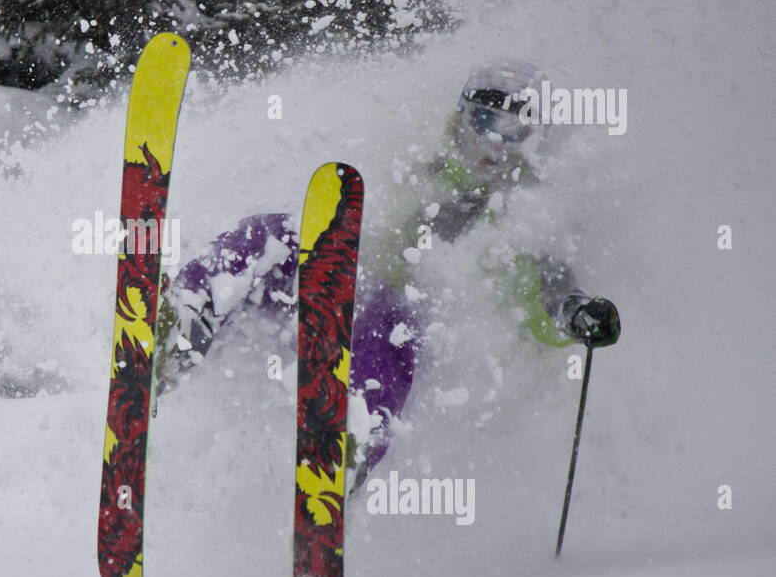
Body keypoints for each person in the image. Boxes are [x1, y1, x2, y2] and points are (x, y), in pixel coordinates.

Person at [154, 59, 621, 489]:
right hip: (334, 307)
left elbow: (551, 296)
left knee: (390, 317)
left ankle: (352, 438)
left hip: (421, 353)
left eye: (516, 128)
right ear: (460, 120)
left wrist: (575, 313)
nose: (495, 141)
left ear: (536, 140)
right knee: (278, 232)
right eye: (484, 120)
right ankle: (185, 321)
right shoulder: (417, 170)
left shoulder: (532, 215)